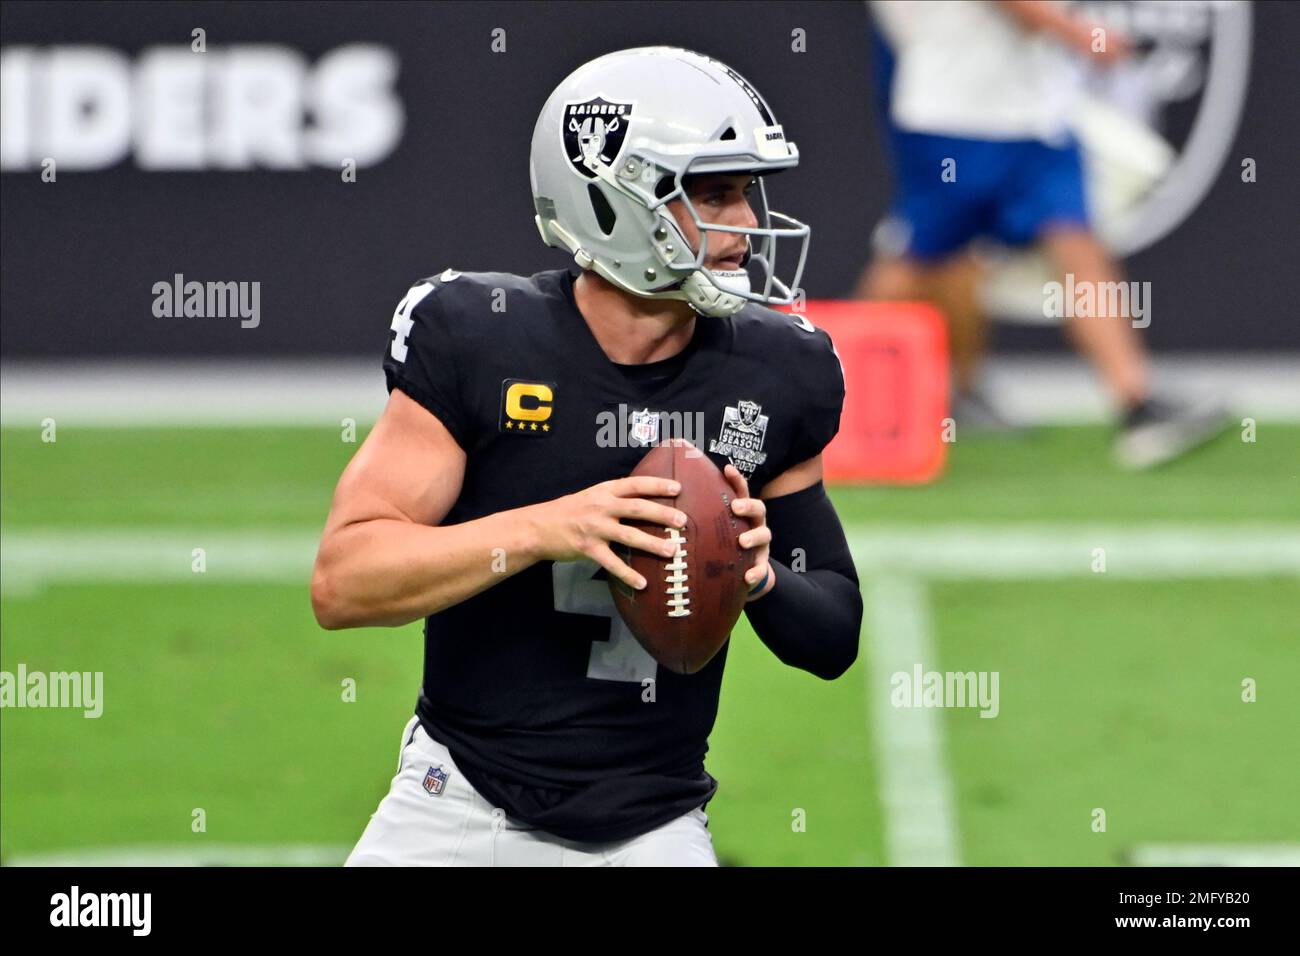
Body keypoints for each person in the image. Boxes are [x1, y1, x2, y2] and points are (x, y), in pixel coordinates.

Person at [312, 46, 863, 866]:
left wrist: (757, 575)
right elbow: (343, 583)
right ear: (616, 200)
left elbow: (834, 634)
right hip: (455, 803)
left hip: (654, 824)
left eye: (747, 193)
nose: (745, 225)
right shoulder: (480, 338)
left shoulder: (778, 371)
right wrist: (542, 529)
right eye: (712, 193)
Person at [858, 0, 1229, 466]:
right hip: (957, 113)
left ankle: (1138, 404)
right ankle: (835, 394)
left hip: (1038, 112)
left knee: (1077, 243)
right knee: (918, 260)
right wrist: (1082, 35)